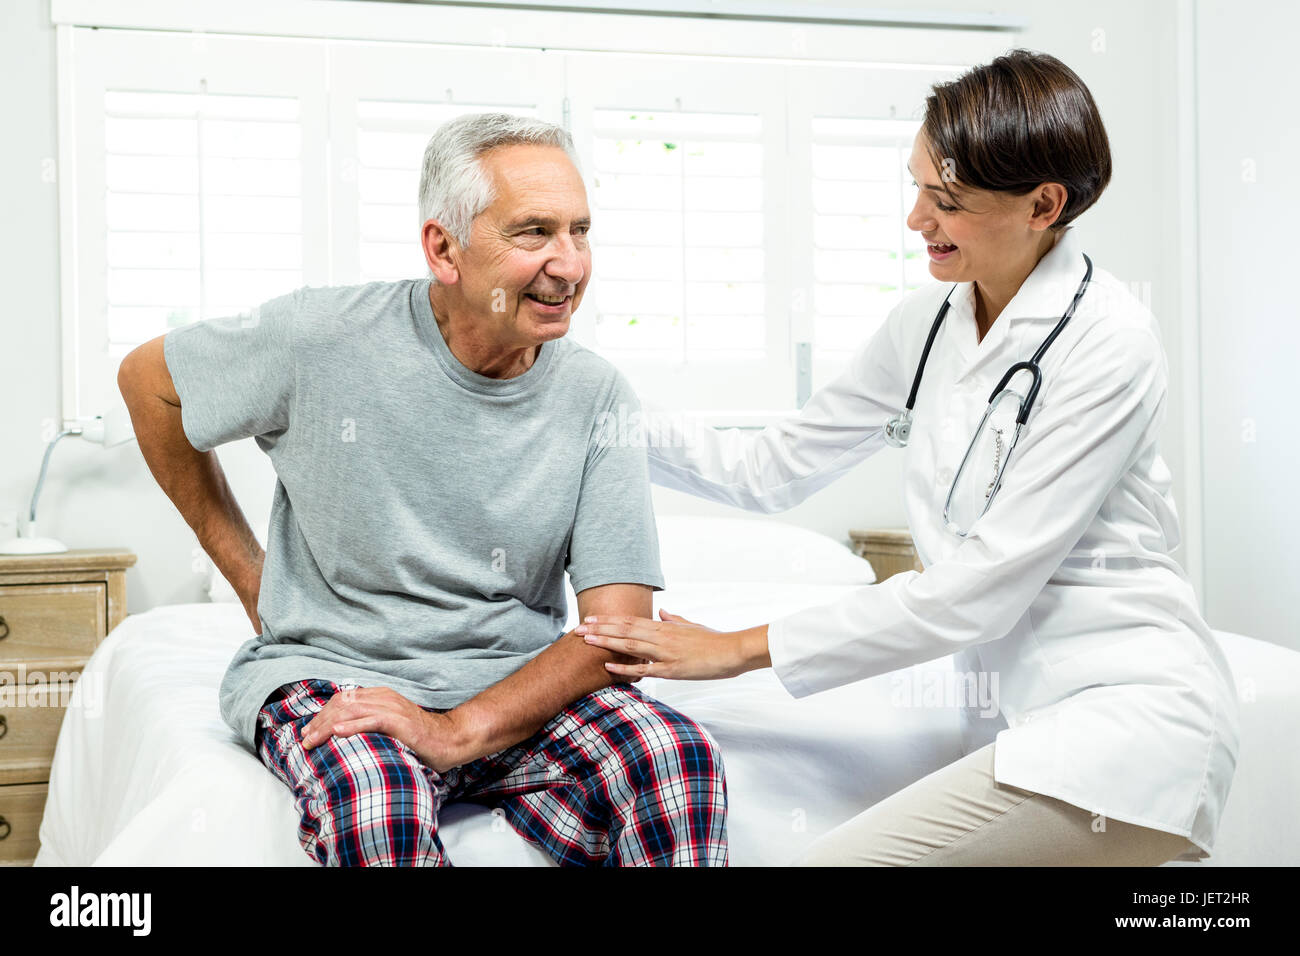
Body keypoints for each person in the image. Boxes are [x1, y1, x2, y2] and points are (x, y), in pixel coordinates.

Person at [579, 50, 1239, 866]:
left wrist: (737, 648)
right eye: (918, 186)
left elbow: (976, 594)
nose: (916, 219)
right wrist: (591, 412)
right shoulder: (928, 325)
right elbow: (770, 467)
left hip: (1128, 724)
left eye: (947, 200)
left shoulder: (1110, 342)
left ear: (1044, 204)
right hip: (1021, 720)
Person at [116, 113, 727, 867]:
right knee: (379, 807)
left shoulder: (597, 396)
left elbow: (618, 632)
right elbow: (147, 383)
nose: (570, 265)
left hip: (517, 691)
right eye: (534, 232)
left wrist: (458, 729)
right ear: (444, 248)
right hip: (339, 675)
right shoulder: (322, 338)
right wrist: (250, 574)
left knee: (677, 759)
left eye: (581, 230)